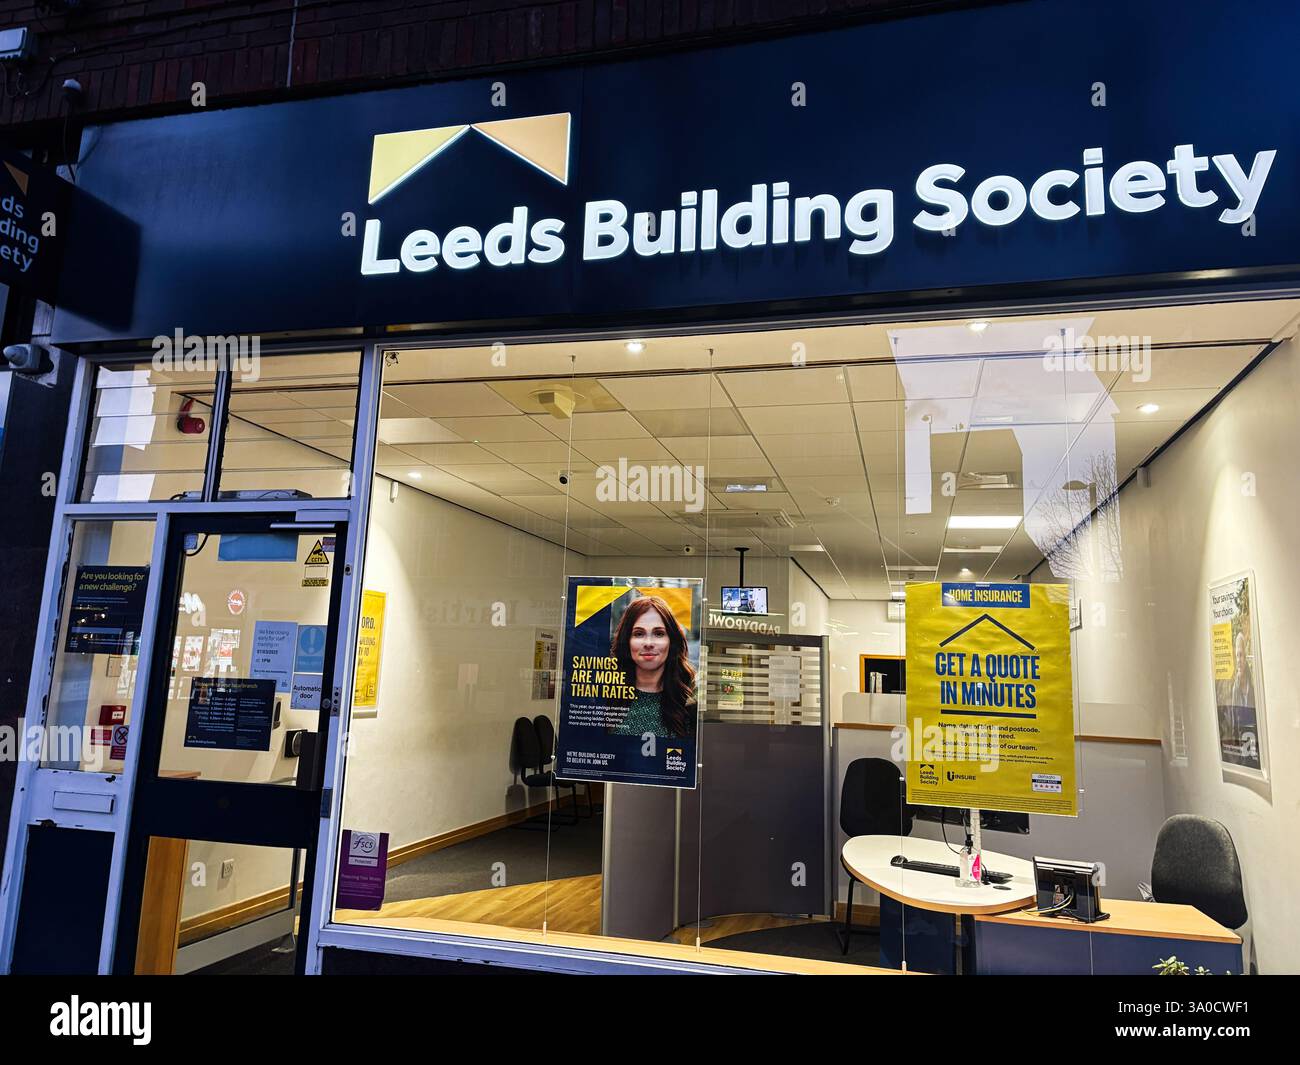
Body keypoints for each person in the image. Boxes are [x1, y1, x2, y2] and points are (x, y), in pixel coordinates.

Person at [609, 594, 697, 738]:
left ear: (671, 640)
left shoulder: (691, 696)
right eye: (638, 634)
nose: (649, 643)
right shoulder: (605, 692)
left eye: (659, 633)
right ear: (627, 639)